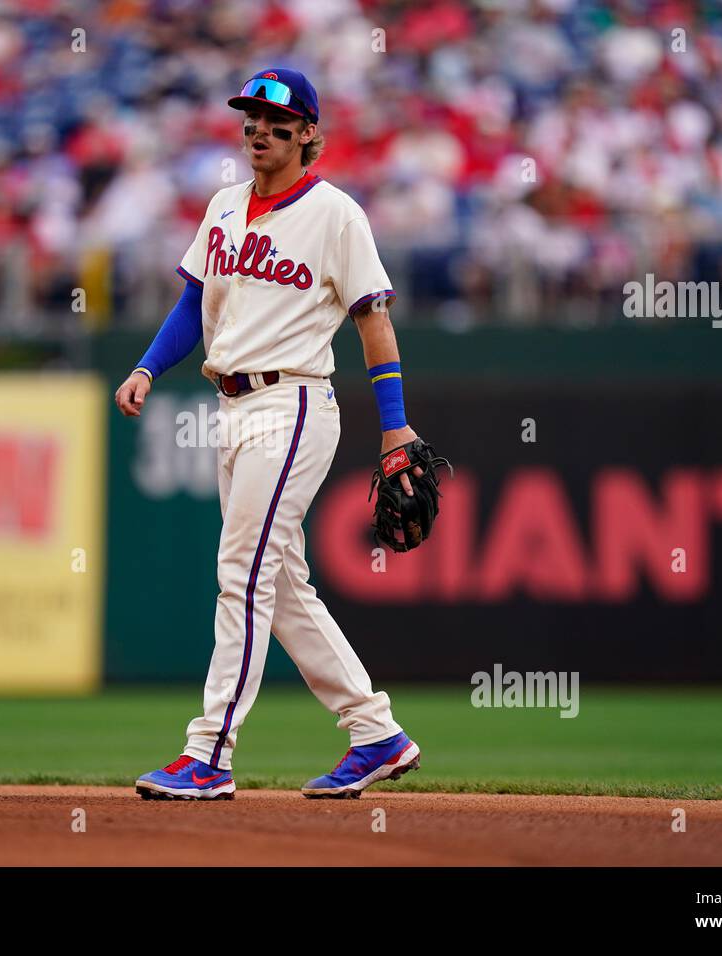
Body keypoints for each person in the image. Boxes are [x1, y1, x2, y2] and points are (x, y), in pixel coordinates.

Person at [115, 68, 422, 800]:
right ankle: (376, 732)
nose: (259, 130)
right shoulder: (223, 207)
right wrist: (148, 367)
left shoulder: (335, 214)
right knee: (279, 586)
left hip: (292, 405)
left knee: (241, 574)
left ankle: (209, 754)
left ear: (309, 132)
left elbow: (373, 320)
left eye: (277, 122)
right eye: (251, 118)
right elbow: (194, 303)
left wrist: (396, 427)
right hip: (231, 407)